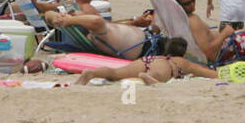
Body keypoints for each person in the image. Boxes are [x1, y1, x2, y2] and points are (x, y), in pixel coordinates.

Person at [45, 0, 154, 59]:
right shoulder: (87, 9)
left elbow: (47, 14)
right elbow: (99, 23)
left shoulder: (75, 11)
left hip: (136, 43)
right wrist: (69, 20)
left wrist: (134, 23)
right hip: (146, 48)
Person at [75, 37, 219, 85]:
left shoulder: (159, 56)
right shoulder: (182, 62)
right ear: (183, 53)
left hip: (147, 60)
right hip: (165, 66)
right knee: (158, 75)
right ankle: (149, 77)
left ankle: (92, 73)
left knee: (115, 73)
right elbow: (207, 73)